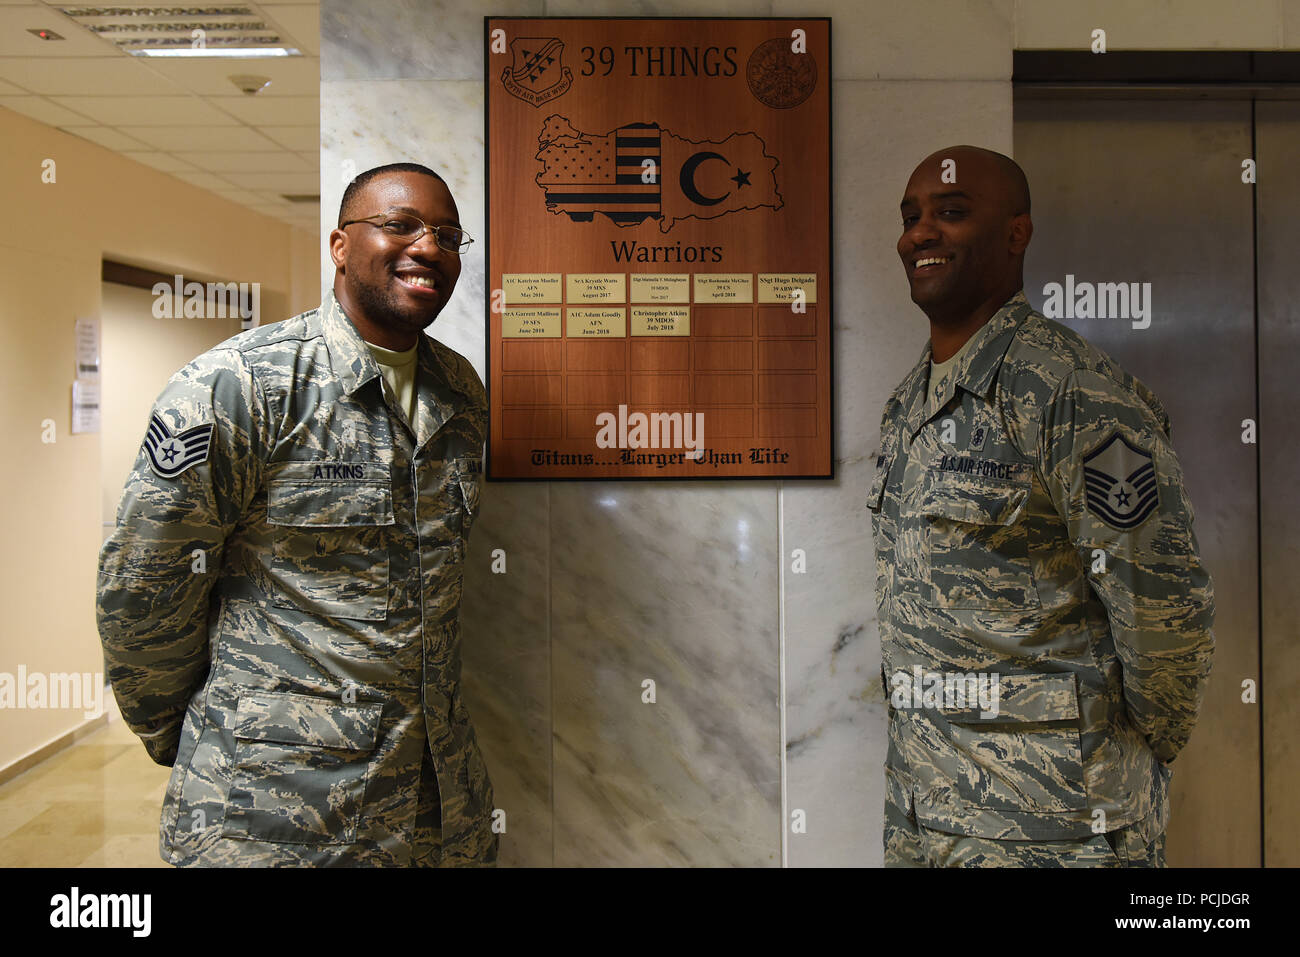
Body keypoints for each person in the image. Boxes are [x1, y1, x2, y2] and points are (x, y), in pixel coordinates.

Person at [97, 163, 497, 867]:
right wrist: (190, 732)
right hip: (275, 816)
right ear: (340, 246)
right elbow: (144, 586)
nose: (429, 247)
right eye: (400, 225)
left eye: (447, 234)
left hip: (434, 805)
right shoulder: (241, 383)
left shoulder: (459, 392)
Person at [870, 145, 1214, 867]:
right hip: (925, 813)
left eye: (952, 213)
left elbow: (1161, 605)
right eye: (911, 217)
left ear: (1017, 233)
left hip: (1053, 829)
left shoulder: (1070, 392)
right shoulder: (909, 405)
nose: (920, 232)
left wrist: (1130, 755)